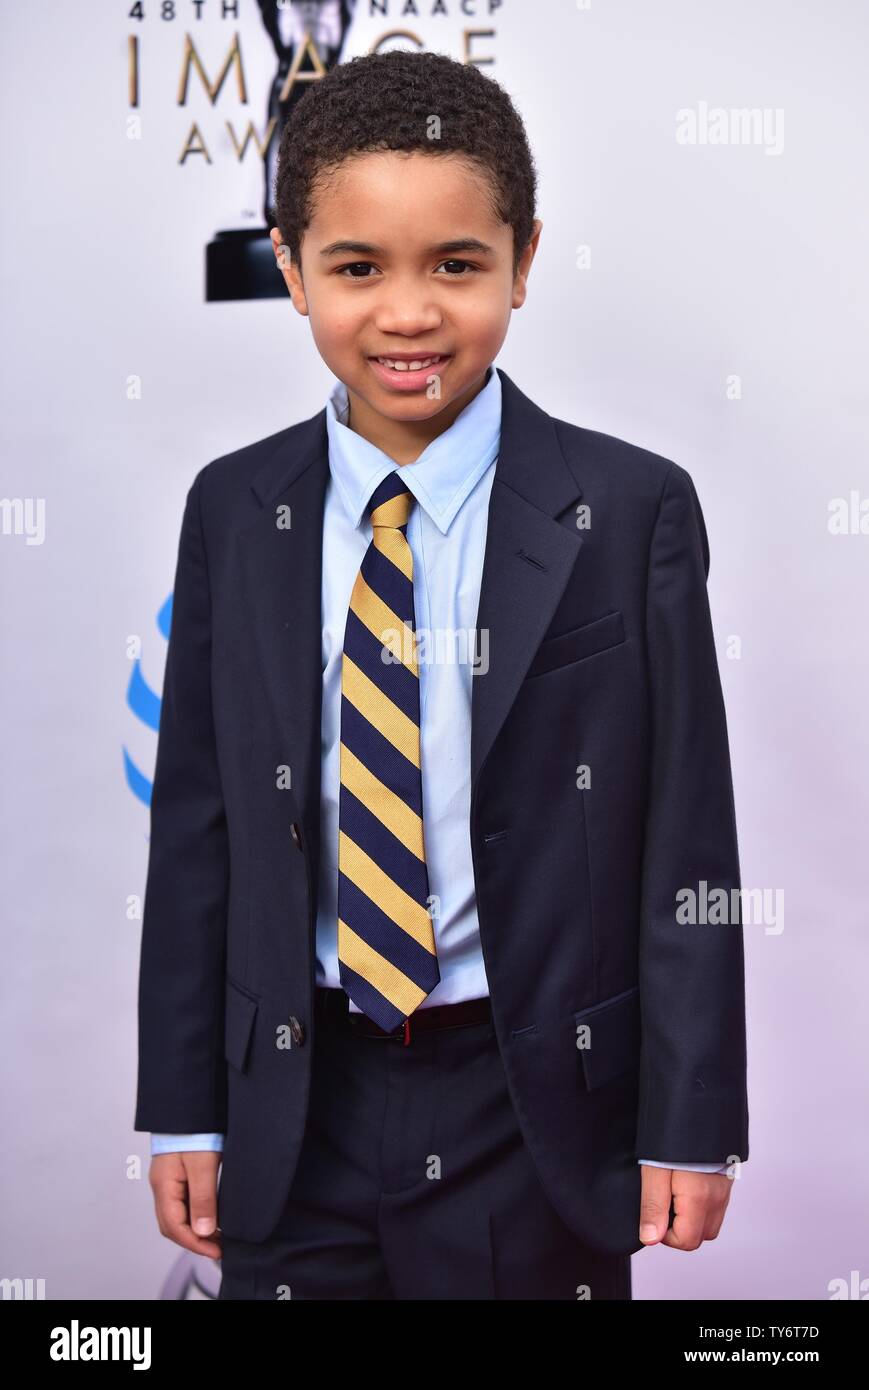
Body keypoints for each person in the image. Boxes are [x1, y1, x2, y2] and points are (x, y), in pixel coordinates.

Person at [135, 49, 748, 1301]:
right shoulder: (235, 507)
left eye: (454, 265)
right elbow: (198, 829)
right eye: (358, 268)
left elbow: (685, 839)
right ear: (291, 268)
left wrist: (690, 1115)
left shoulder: (627, 510)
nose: (407, 315)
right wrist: (182, 1109)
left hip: (527, 1108)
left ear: (523, 262)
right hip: (296, 1096)